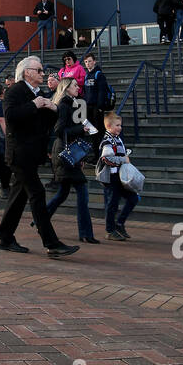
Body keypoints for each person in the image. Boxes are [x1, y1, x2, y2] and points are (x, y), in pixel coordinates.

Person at [0, 56, 78, 259]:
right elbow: (11, 116)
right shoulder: (15, 90)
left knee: (18, 196)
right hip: (19, 153)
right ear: (27, 72)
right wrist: (34, 105)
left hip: (31, 153)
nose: (42, 73)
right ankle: (51, 243)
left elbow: (43, 122)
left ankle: (5, 236)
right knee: (37, 193)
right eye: (39, 70)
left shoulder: (38, 93)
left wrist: (54, 109)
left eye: (42, 70)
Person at [45, 79, 99, 244]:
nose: (78, 88)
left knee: (62, 194)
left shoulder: (72, 104)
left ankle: (40, 219)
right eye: (75, 85)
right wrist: (81, 129)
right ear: (66, 88)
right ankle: (85, 233)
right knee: (82, 192)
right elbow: (60, 131)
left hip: (69, 154)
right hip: (65, 154)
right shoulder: (64, 105)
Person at [98, 112, 138, 240]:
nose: (120, 128)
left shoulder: (117, 138)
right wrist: (123, 160)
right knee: (113, 203)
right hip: (112, 177)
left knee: (133, 198)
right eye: (117, 125)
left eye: (120, 125)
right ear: (108, 126)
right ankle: (110, 230)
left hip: (119, 176)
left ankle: (119, 223)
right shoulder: (108, 140)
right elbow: (106, 159)